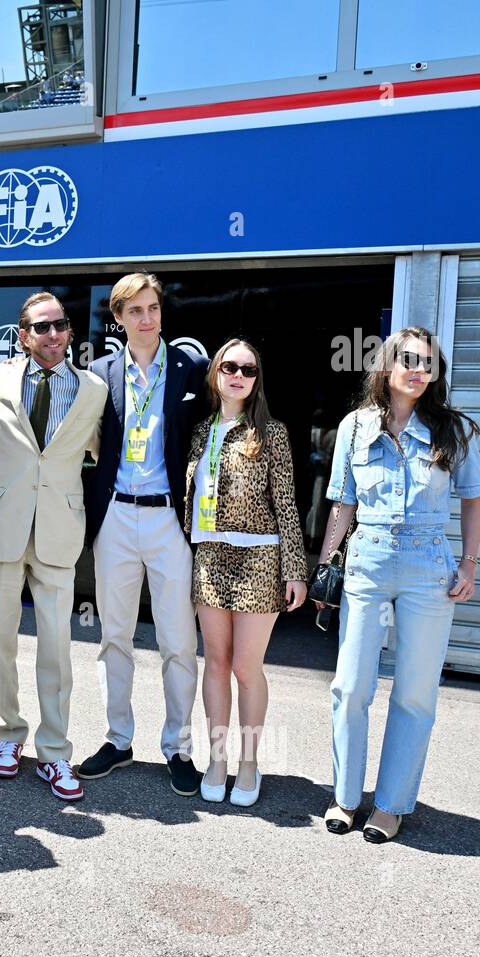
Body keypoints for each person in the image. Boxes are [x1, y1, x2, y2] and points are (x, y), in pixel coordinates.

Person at [316, 327, 480, 844]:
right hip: (367, 560)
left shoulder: (453, 431)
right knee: (350, 684)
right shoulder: (355, 425)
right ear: (387, 365)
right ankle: (345, 796)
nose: (417, 369)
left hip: (428, 566)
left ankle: (390, 804)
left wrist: (469, 566)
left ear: (436, 374)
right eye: (407, 359)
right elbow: (342, 501)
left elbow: (473, 498)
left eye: (428, 363)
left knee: (414, 690)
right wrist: (325, 567)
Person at [78, 273, 209, 797]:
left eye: (153, 308)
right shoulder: (99, 373)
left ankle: (178, 747)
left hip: (168, 520)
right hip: (116, 517)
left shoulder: (192, 369)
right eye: (135, 311)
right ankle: (118, 738)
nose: (147, 318)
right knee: (115, 637)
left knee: (178, 639)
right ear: (119, 319)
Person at [0, 292, 107, 801]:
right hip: (2, 525)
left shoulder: (95, 388)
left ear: (69, 332)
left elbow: (104, 452)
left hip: (59, 527)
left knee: (57, 646)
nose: (52, 335)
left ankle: (54, 751)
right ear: (23, 334)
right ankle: (8, 735)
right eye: (41, 326)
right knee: (1, 643)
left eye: (60, 325)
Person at [181, 340, 307, 807]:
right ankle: (217, 760)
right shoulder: (199, 433)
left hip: (259, 559)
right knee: (214, 663)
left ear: (257, 379)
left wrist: (295, 569)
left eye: (248, 369)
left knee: (245, 667)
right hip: (211, 559)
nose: (238, 375)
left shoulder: (271, 432)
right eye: (229, 366)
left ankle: (249, 763)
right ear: (215, 373)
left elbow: (287, 504)